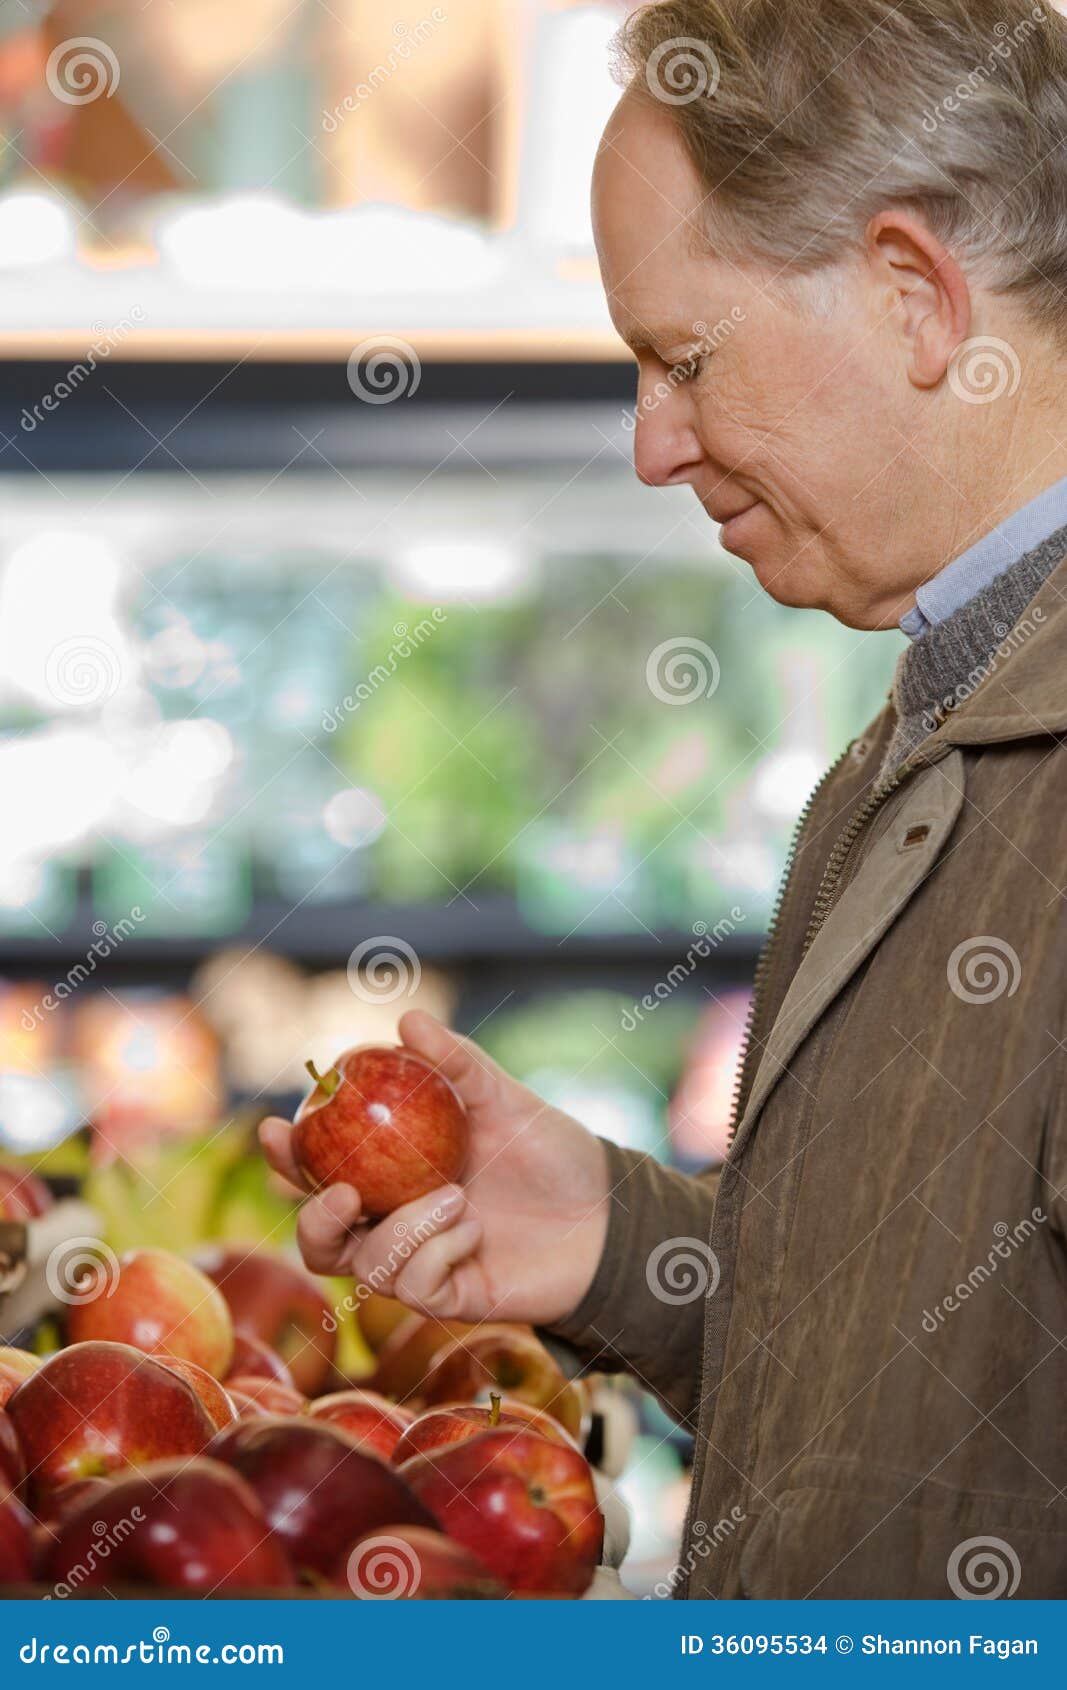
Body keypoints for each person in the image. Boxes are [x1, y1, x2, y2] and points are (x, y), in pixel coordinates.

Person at [262, 0, 1067, 1597]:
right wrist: (627, 1245)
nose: (651, 446)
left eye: (682, 359)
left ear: (916, 296)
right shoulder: (929, 727)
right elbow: (962, 1397)